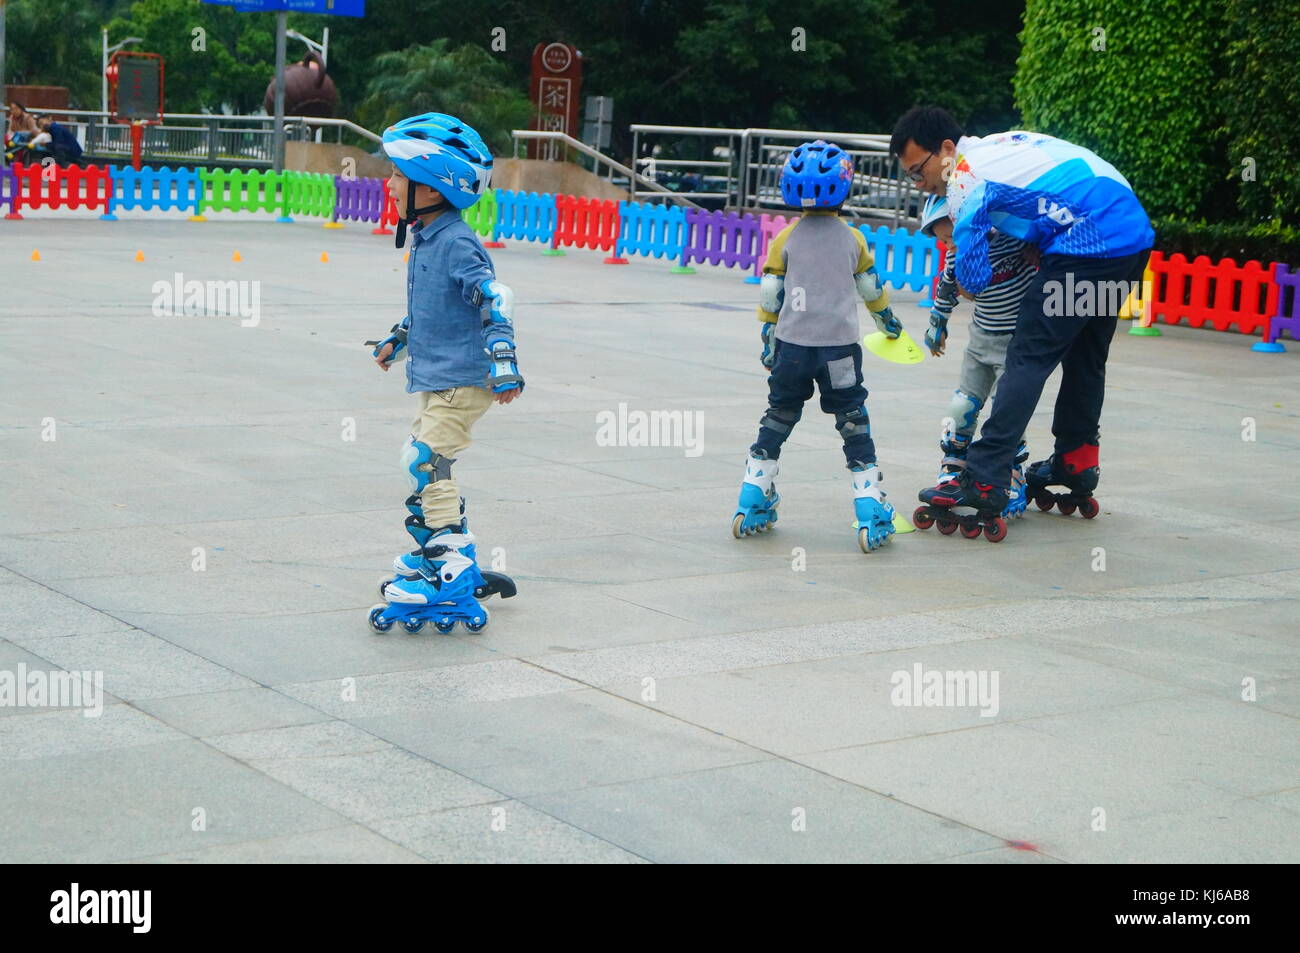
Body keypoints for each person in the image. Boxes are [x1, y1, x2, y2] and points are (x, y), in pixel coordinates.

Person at [891, 106, 1152, 529]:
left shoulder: (966, 177)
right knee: (1085, 356)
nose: (922, 187)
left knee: (1027, 356)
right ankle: (1076, 462)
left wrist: (967, 261)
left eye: (919, 172)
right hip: (1130, 239)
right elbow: (1047, 197)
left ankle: (985, 476)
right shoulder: (998, 145)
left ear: (945, 149)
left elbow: (973, 280)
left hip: (1088, 247)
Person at [365, 112, 523, 634]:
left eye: (398, 175)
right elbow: (431, 307)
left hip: (464, 379)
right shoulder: (428, 235)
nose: (388, 184)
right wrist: (399, 337)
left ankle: (451, 566)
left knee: (423, 459)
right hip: (437, 376)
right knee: (431, 464)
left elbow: (492, 298)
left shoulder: (457, 241)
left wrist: (504, 363)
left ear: (432, 186)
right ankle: (444, 552)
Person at [731, 139, 904, 554]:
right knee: (852, 419)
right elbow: (870, 288)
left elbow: (772, 291)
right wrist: (887, 321)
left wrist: (768, 333)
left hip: (792, 348)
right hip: (839, 352)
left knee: (779, 414)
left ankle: (753, 492)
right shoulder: (853, 240)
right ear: (844, 188)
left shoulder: (785, 238)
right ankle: (868, 502)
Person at [919, 194, 1038, 518]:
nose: (949, 246)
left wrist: (1038, 251)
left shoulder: (1012, 241)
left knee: (1006, 413)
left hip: (1014, 345)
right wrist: (937, 325)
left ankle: (1011, 475)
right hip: (979, 343)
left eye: (951, 236)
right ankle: (953, 469)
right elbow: (946, 288)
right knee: (961, 406)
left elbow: (1042, 234)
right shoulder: (959, 255)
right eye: (943, 240)